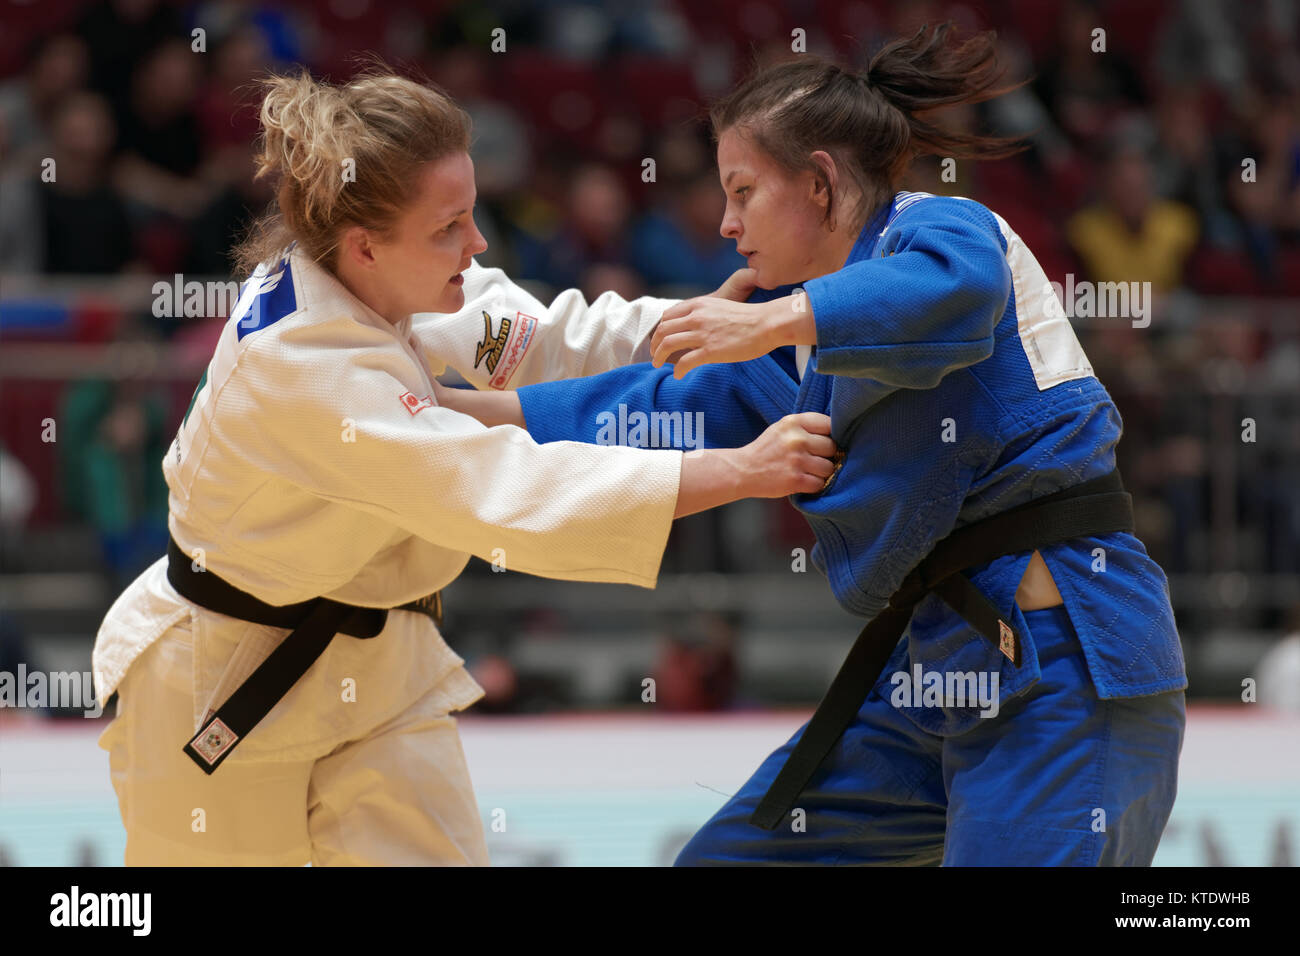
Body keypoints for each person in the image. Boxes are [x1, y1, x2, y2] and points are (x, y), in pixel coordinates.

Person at [432, 24, 1188, 866]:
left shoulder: (945, 230)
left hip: (1065, 658)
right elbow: (642, 405)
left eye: (743, 191)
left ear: (821, 183)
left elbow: (954, 296)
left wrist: (766, 319)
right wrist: (448, 409)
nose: (724, 223)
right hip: (934, 668)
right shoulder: (792, 347)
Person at [91, 68, 838, 867]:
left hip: (380, 662)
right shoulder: (305, 367)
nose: (477, 243)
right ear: (365, 243)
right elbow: (508, 494)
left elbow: (551, 340)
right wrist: (742, 470)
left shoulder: (404, 284)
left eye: (471, 214)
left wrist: (699, 324)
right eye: (450, 226)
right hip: (224, 677)